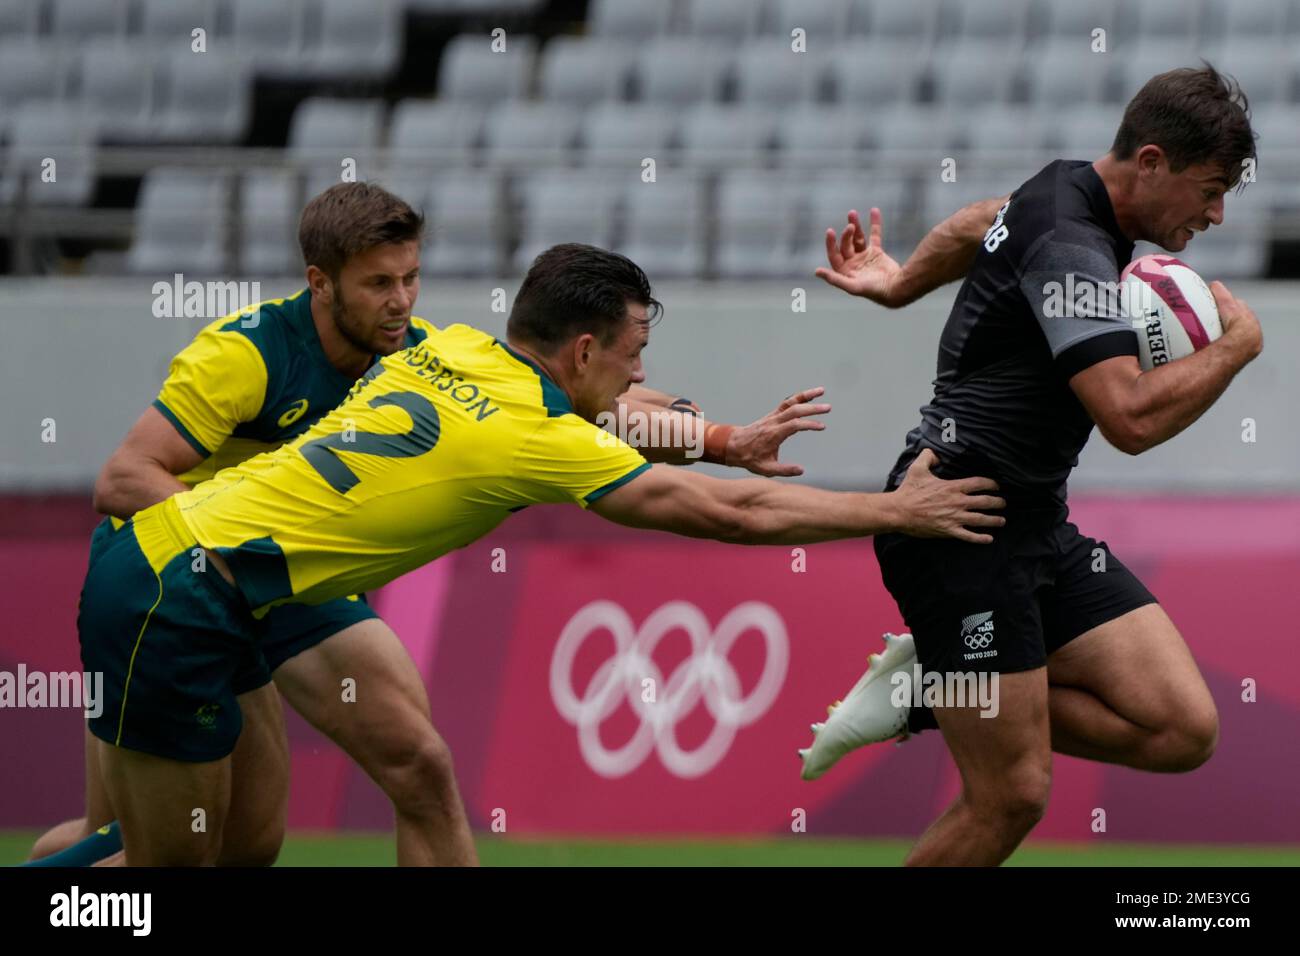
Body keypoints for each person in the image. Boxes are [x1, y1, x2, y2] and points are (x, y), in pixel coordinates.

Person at [803, 66, 1263, 866]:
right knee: (1011, 794)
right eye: (1211, 189)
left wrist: (902, 281)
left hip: (1033, 523)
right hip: (958, 521)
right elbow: (1127, 417)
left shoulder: (1059, 193)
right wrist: (1234, 352)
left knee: (1182, 727)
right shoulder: (1072, 247)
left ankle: (928, 690)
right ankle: (947, 679)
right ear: (1151, 161)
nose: (1217, 214)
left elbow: (986, 218)